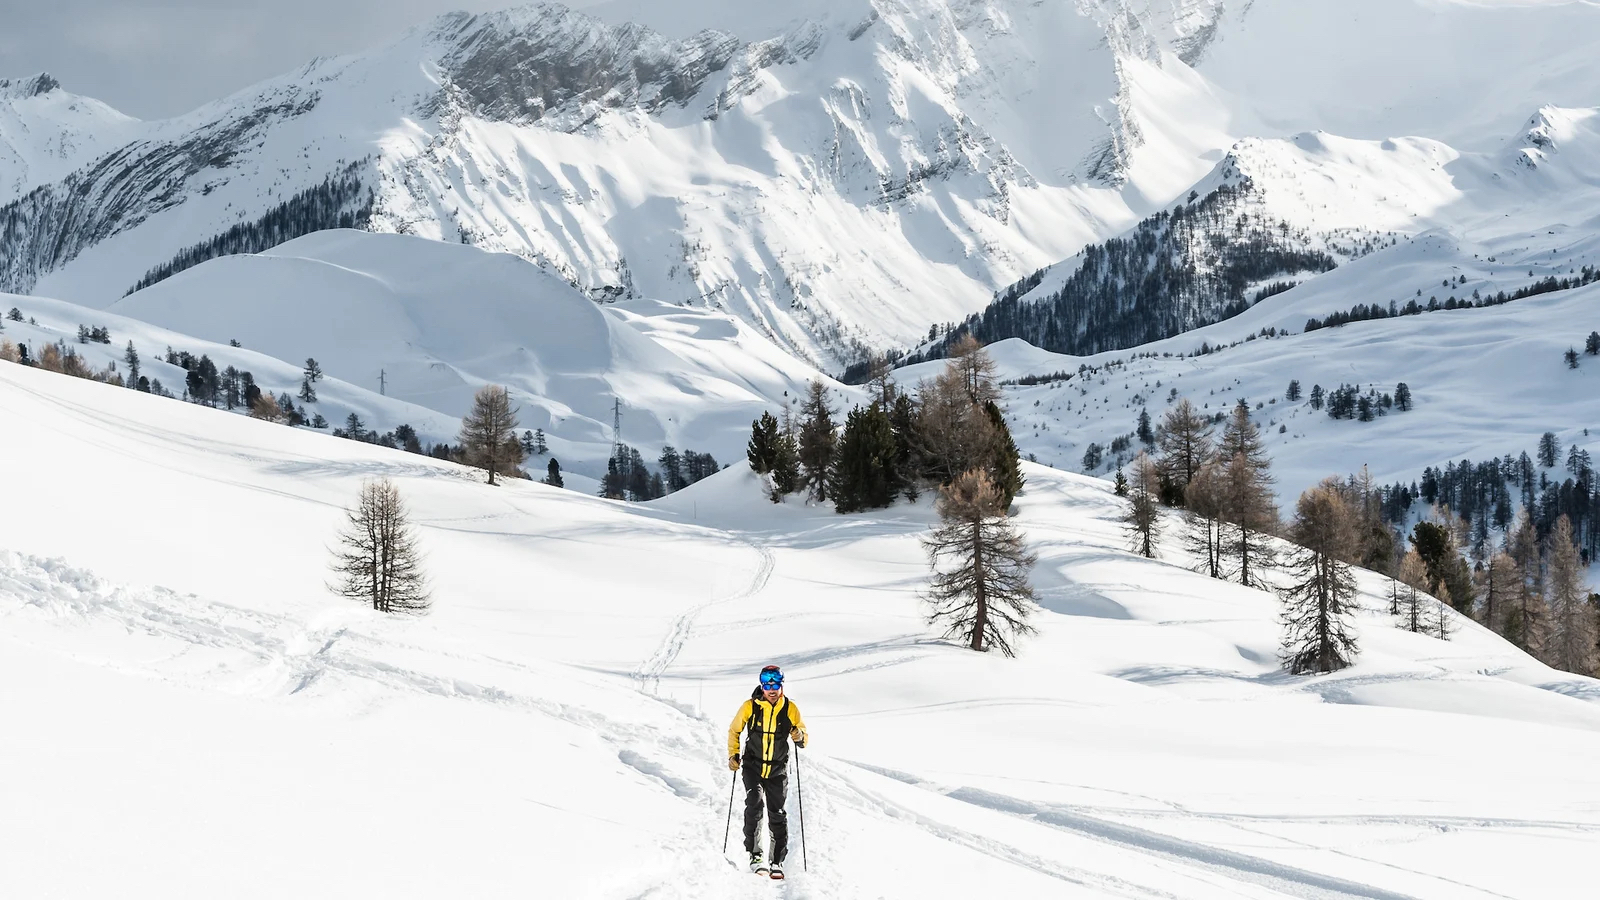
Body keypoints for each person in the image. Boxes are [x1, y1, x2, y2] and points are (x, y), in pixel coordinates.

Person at [727, 664, 808, 877]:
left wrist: (799, 735)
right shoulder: (750, 706)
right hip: (752, 766)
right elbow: (734, 730)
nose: (771, 690)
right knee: (754, 805)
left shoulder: (790, 708)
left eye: (775, 685)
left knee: (777, 812)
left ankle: (776, 861)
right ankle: (756, 856)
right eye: (767, 685)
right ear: (762, 686)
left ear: (781, 686)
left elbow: (803, 738)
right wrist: (733, 755)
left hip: (777, 769)